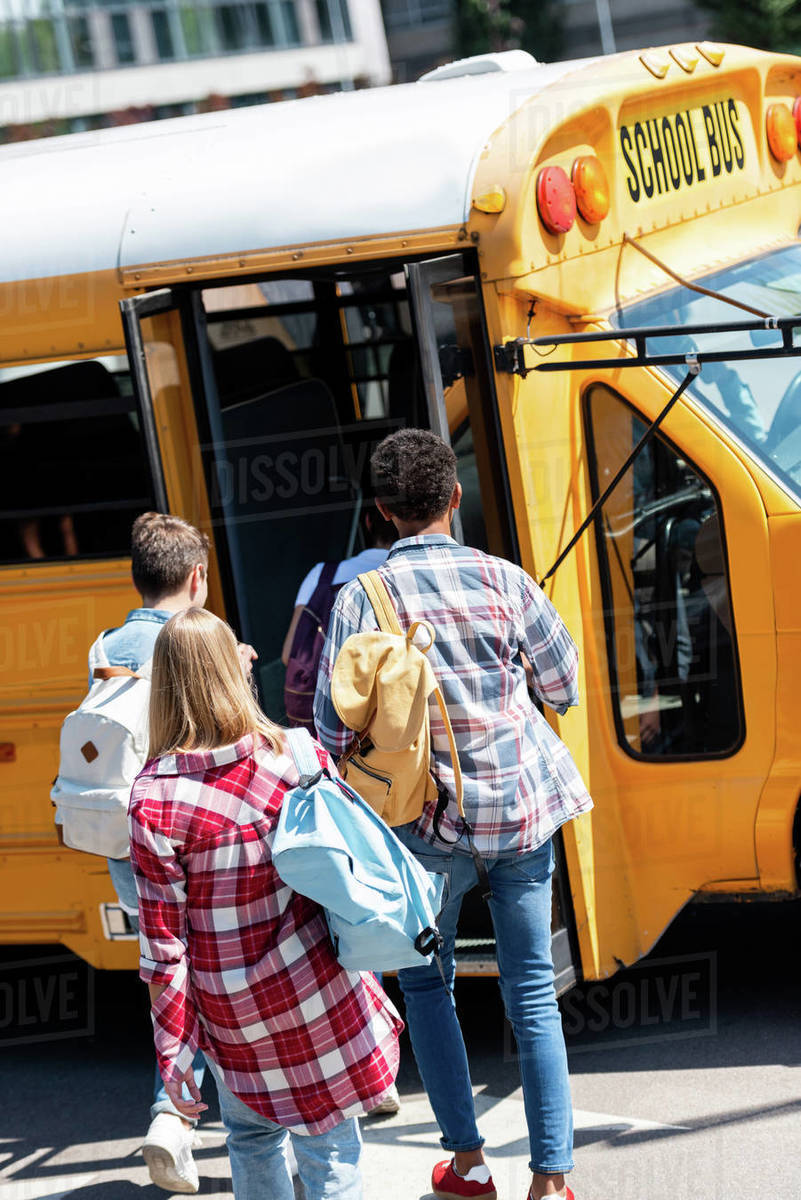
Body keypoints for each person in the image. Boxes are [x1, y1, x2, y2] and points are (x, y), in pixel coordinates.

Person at [314, 429, 593, 1200]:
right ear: (455, 496)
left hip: (418, 828)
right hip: (518, 816)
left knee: (427, 987)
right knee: (531, 993)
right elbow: (564, 683)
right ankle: (552, 1180)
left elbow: (331, 729)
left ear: (380, 512)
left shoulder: (359, 600)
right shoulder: (504, 580)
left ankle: (467, 1165)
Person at [129, 607, 403, 1200]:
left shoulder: (154, 800)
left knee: (251, 1142)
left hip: (234, 1017)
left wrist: (174, 1056)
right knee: (331, 1151)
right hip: (320, 993)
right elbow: (346, 876)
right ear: (233, 671)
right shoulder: (296, 758)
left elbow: (162, 950)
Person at [98, 511, 255, 1194]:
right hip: (196, 828)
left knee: (170, 975)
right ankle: (227, 1111)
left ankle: (172, 1117)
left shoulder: (107, 642)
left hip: (130, 839)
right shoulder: (205, 638)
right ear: (198, 577)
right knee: (223, 974)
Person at [281, 506, 396, 733]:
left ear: (368, 522)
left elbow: (290, 655)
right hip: (391, 723)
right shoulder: (406, 575)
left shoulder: (323, 575)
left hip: (332, 725)